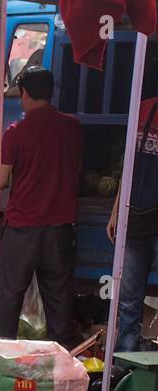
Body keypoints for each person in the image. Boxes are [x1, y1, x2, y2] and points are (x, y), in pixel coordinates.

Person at [0, 67, 83, 346]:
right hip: (59, 228)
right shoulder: (73, 127)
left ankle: (3, 355)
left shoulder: (16, 132)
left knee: (10, 296)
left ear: (24, 93)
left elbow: (0, 181)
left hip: (22, 229)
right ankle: (61, 360)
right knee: (59, 301)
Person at [109, 72, 158, 352]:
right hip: (136, 218)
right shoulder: (143, 109)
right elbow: (129, 166)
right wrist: (117, 210)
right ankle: (125, 364)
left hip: (139, 217)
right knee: (128, 300)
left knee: (129, 300)